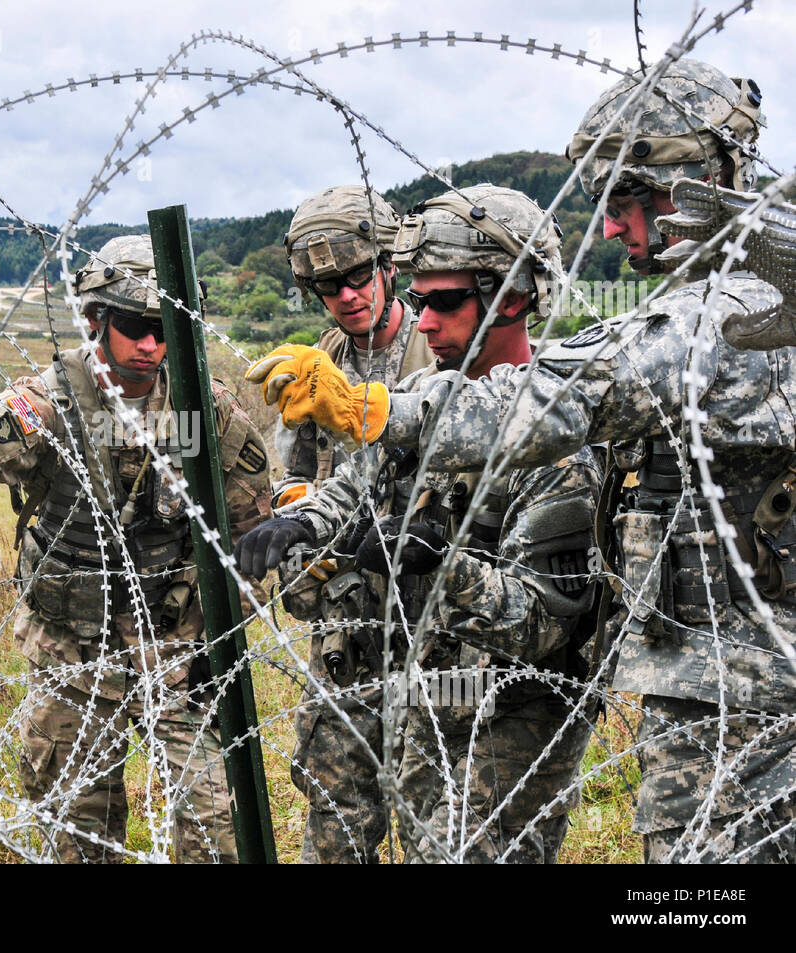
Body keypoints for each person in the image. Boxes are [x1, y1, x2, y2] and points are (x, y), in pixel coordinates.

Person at [250, 59, 796, 864]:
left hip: (717, 692)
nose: (610, 231)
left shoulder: (734, 314)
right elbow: (363, 486)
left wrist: (377, 413)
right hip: (704, 681)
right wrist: (304, 520)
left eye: (623, 201)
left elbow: (560, 397)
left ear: (696, 182)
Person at [0, 235, 272, 863]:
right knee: (77, 828)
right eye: (135, 328)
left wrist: (221, 634)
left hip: (178, 644)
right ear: (97, 321)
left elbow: (256, 529)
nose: (151, 344)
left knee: (216, 822)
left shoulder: (204, 406)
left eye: (163, 328)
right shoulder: (55, 397)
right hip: (72, 644)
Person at [240, 185, 600, 862]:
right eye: (421, 298)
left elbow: (543, 623)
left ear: (512, 296)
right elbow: (352, 483)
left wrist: (436, 561)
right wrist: (302, 526)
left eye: (444, 302)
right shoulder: (413, 402)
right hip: (421, 699)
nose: (424, 322)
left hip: (503, 724)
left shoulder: (560, 442)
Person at [271, 185, 433, 863]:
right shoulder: (317, 369)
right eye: (329, 285)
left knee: (440, 827)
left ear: (389, 267)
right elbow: (294, 489)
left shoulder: (441, 350)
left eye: (357, 276)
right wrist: (300, 555)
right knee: (337, 833)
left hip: (438, 626)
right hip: (350, 635)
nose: (346, 295)